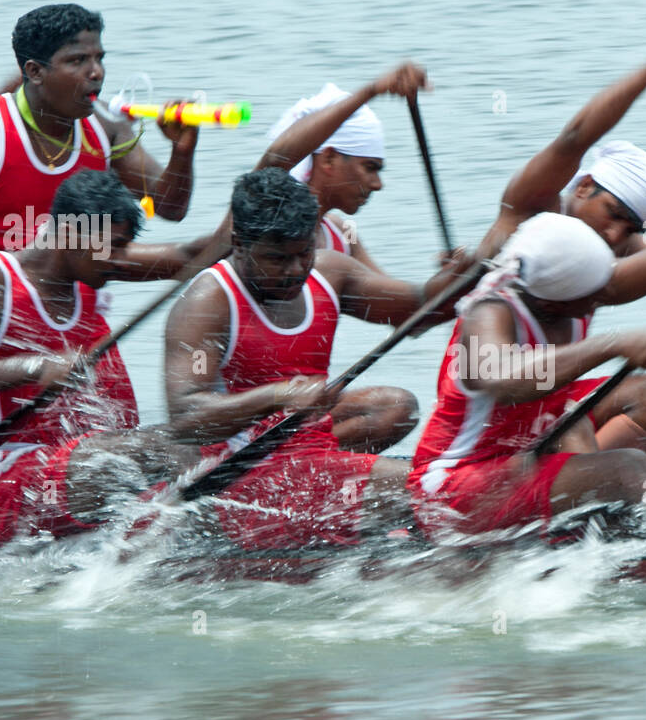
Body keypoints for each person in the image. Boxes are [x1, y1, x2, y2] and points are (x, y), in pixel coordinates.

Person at [410, 184, 646, 540]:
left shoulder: (559, 290)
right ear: (556, 299)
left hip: (522, 453)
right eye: (594, 294)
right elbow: (499, 380)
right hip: (454, 490)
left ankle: (587, 509)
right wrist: (610, 344)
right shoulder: (489, 313)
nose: (603, 298)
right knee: (627, 467)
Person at [162, 167, 478, 550]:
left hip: (307, 449)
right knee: (435, 489)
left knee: (396, 406)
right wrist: (277, 395)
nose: (296, 270)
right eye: (277, 259)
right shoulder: (208, 303)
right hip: (243, 474)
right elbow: (186, 419)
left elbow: (420, 312)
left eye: (304, 253)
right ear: (239, 244)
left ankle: (345, 500)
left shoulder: (330, 272)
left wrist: (460, 278)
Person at [0, 170, 213, 545]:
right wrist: (35, 367)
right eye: (112, 246)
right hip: (9, 487)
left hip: (80, 469)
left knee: (203, 438)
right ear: (69, 234)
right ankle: (193, 546)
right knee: (165, 449)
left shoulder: (89, 268)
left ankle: (174, 541)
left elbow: (193, 255)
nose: (119, 260)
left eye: (124, 246)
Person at [471, 40, 646, 454]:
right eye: (614, 213)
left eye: (632, 227)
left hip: (549, 396)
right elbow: (575, 137)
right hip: (492, 394)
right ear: (584, 186)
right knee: (571, 430)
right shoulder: (529, 210)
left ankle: (593, 488)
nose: (615, 236)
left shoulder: (617, 247)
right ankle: (584, 485)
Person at [0, 3, 202, 338]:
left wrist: (181, 152)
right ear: (35, 71)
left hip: (79, 323)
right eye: (77, 61)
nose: (96, 72)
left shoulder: (108, 129)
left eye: (99, 58)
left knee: (197, 256)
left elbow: (170, 207)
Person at [256, 64, 433, 452]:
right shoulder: (264, 216)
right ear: (329, 158)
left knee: (397, 408)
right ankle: (295, 463)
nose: (378, 184)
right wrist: (371, 90)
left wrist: (462, 279)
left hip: (301, 406)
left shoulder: (342, 236)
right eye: (370, 168)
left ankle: (306, 462)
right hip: (243, 409)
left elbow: (410, 318)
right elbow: (277, 159)